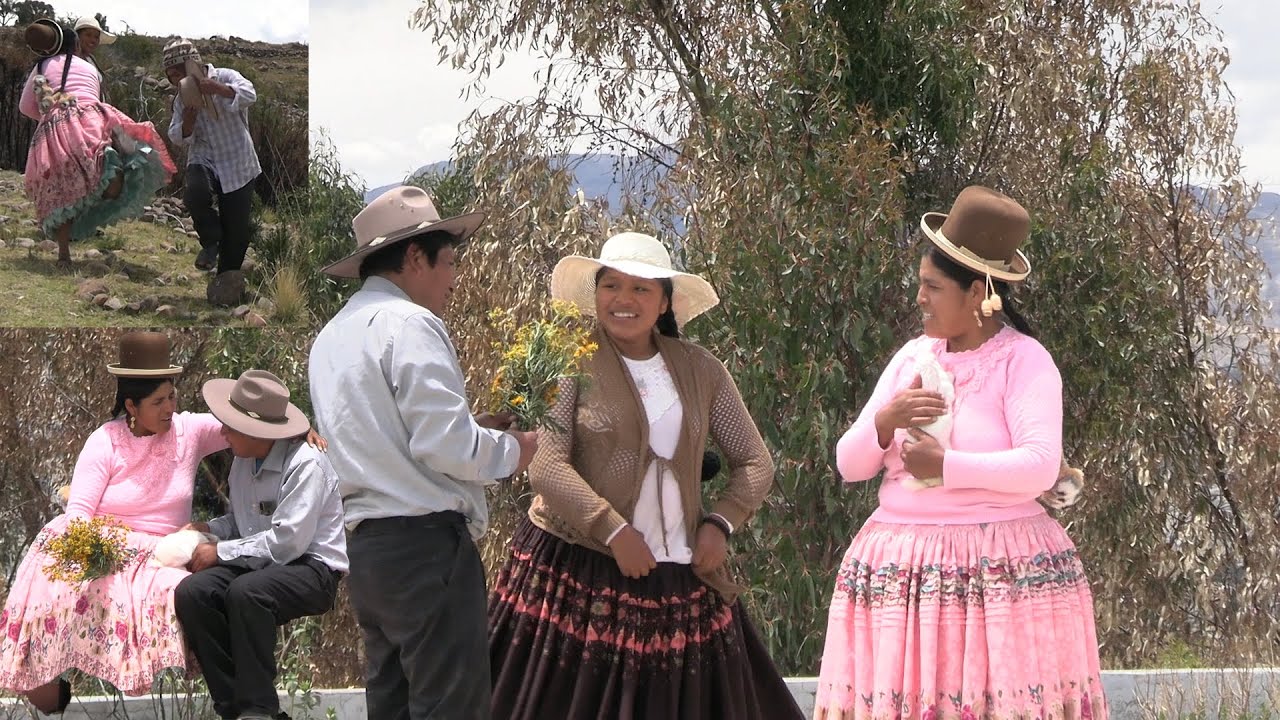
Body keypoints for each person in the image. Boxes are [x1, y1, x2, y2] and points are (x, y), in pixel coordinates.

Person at [812, 186, 1107, 720]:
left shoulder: (1025, 362)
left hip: (998, 573)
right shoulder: (911, 359)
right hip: (903, 575)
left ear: (977, 294)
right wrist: (885, 422)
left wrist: (945, 467)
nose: (919, 298)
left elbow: (1040, 464)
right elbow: (849, 465)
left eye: (932, 287)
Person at [487, 231, 805, 720]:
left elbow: (755, 462)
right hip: (579, 565)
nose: (624, 300)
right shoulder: (569, 362)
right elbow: (548, 464)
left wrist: (721, 523)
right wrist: (612, 530)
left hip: (678, 573)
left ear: (664, 303)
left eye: (641, 289)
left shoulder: (701, 370)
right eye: (611, 285)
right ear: (595, 294)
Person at [308, 186, 539, 720]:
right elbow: (445, 446)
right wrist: (518, 449)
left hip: (370, 556)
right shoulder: (410, 324)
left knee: (393, 704)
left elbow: (381, 437)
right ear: (415, 257)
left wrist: (470, 425)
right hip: (426, 551)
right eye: (449, 263)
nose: (454, 281)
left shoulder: (332, 337)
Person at [0, 331, 221, 712]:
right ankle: (50, 688)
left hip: (166, 557)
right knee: (51, 630)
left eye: (172, 396)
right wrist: (141, 545)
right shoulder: (105, 442)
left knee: (187, 593)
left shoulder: (190, 431)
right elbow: (79, 520)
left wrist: (298, 429)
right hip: (104, 548)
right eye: (158, 402)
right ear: (132, 407)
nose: (170, 407)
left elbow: (245, 428)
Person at [176, 370, 347, 720]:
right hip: (259, 563)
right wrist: (209, 528)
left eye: (231, 426)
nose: (222, 432)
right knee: (193, 593)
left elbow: (288, 542)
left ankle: (259, 710)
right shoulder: (241, 462)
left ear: (257, 431)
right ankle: (232, 707)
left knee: (246, 593)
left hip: (313, 569)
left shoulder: (307, 464)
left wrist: (220, 551)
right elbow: (241, 522)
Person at [19, 17, 176, 266]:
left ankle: (63, 255)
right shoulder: (92, 69)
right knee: (115, 156)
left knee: (61, 189)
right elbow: (92, 95)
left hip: (56, 127)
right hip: (94, 117)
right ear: (75, 41)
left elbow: (26, 107)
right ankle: (122, 174)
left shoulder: (40, 69)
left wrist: (50, 117)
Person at [162, 39, 261, 293]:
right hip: (204, 156)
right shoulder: (181, 99)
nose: (175, 79)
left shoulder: (226, 75)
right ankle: (210, 242)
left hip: (237, 160)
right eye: (170, 75)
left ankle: (226, 283)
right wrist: (187, 124)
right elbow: (176, 135)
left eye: (177, 73)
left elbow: (250, 94)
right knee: (195, 193)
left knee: (236, 227)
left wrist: (219, 89)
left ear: (191, 65)